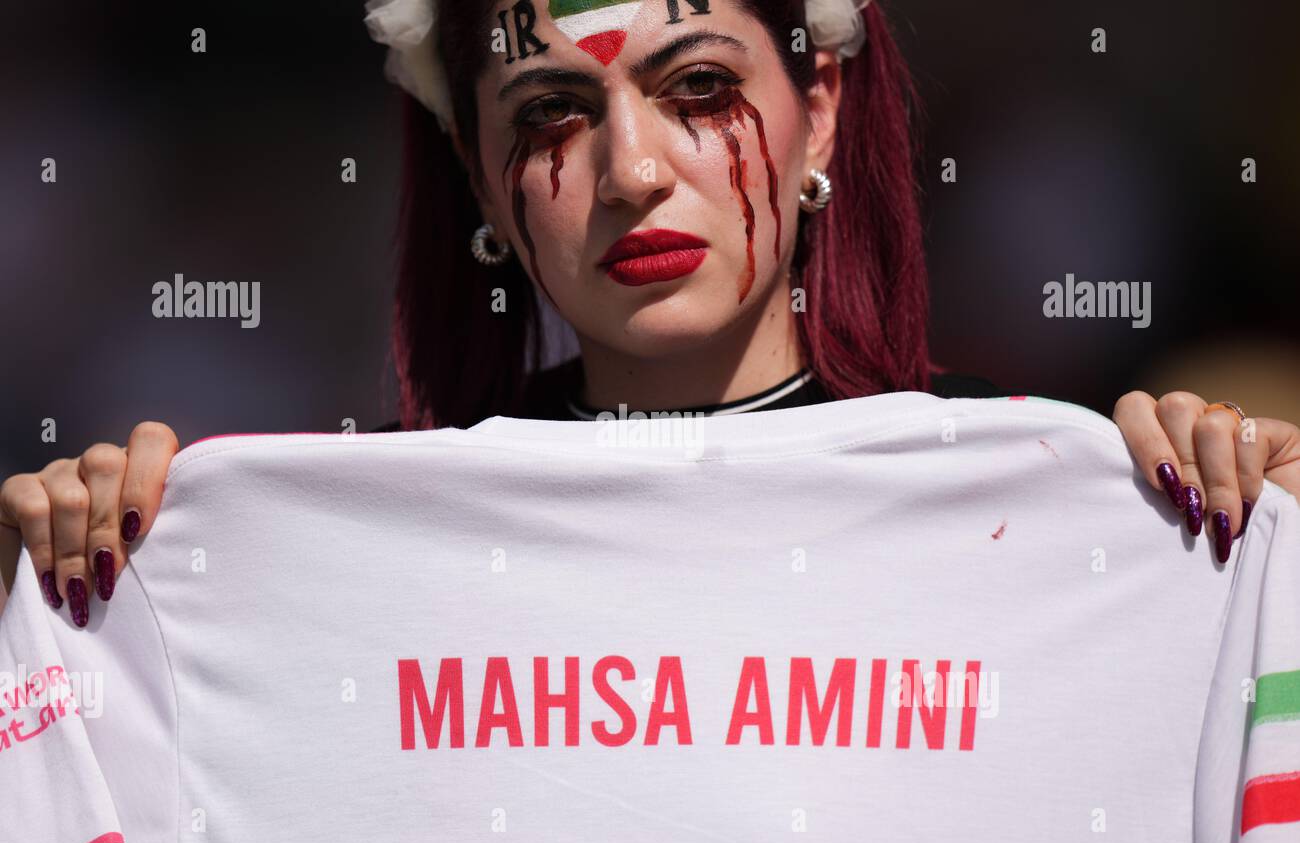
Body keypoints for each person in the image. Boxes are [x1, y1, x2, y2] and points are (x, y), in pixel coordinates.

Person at [1, 0, 1298, 629]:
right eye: (552, 114)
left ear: (822, 111)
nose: (630, 172)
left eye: (697, 86)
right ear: (480, 184)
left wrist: (1243, 540)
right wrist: (124, 590)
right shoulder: (349, 561)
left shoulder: (1062, 505)